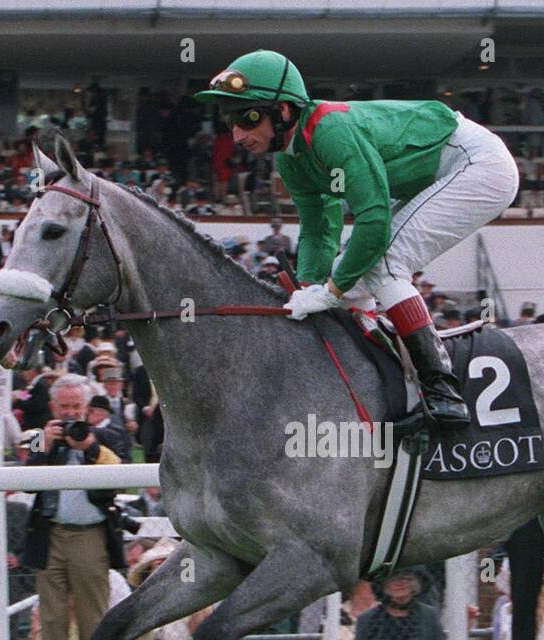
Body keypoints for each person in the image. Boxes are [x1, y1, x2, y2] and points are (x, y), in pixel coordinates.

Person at [195, 50, 520, 428]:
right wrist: (308, 287)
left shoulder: (331, 131)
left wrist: (329, 291)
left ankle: (443, 392)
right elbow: (318, 226)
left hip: (477, 164)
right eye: (230, 120)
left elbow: (374, 218)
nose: (237, 135)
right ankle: (391, 387)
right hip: (435, 174)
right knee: (351, 278)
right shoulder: (289, 156)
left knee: (381, 265)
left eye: (247, 117)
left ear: (284, 111)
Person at [24, 374, 127, 640]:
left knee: (92, 617)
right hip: (50, 533)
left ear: (87, 408)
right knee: (51, 618)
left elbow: (120, 479)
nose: (70, 414)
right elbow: (27, 480)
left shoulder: (107, 435)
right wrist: (48, 444)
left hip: (90, 535)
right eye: (64, 406)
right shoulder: (42, 437)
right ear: (54, 406)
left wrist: (90, 447)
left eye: (76, 406)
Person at [115, 539, 198, 640]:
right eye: (159, 565)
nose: (165, 570)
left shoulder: (188, 607)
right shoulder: (132, 605)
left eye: (170, 564)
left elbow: (199, 625)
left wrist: (189, 578)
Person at [349, 569, 446, 640]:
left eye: (406, 579)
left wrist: (464, 627)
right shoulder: (368, 619)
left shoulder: (428, 615)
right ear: (384, 585)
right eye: (393, 579)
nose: (400, 583)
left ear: (415, 584)